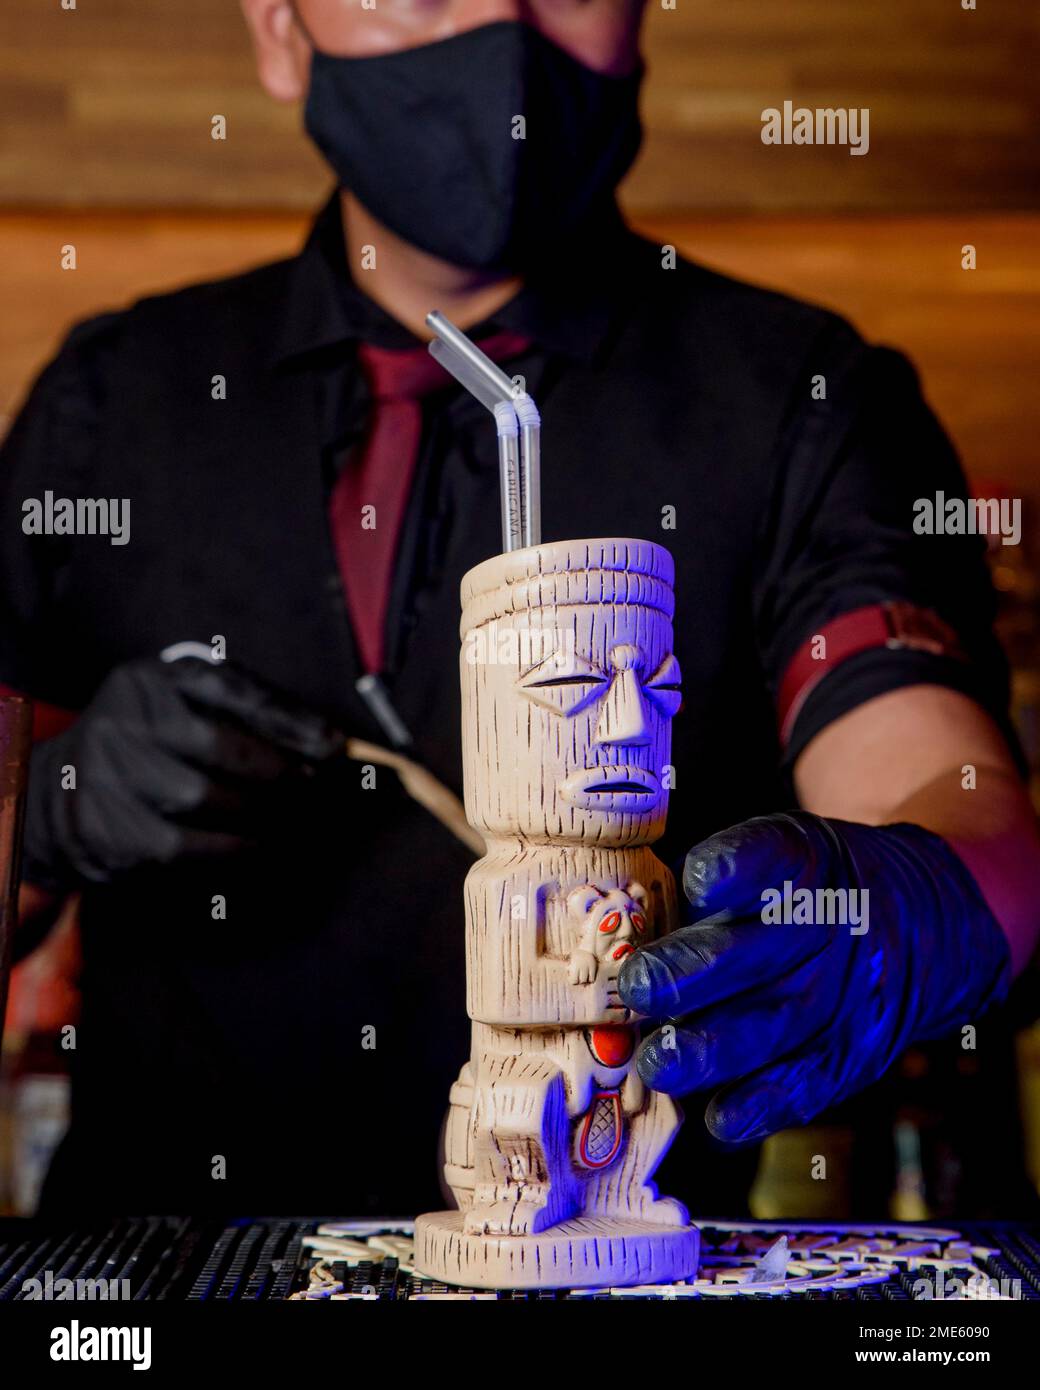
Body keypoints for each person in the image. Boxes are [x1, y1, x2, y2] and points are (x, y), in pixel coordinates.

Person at [1, 0, 1036, 1220]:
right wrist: (51, 807)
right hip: (162, 1259)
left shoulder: (804, 400)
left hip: (609, 1253)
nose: (499, 25)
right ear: (280, 32)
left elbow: (945, 788)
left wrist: (910, 902)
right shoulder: (110, 400)